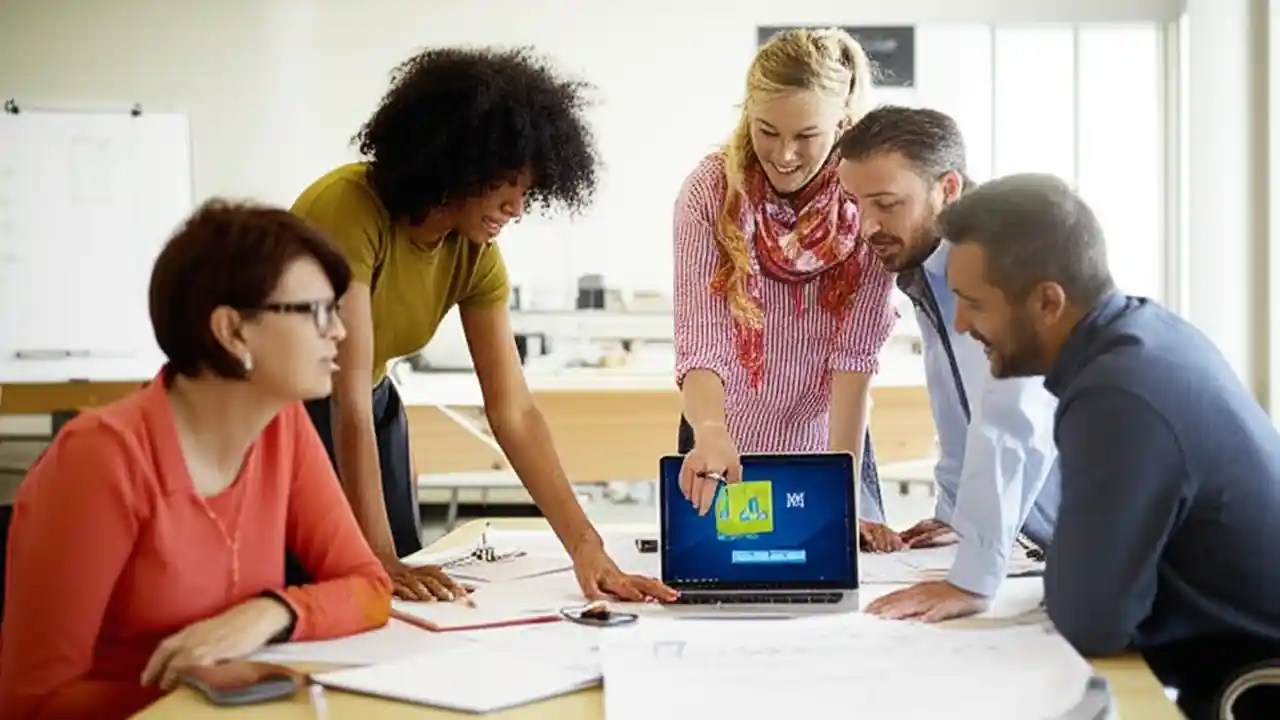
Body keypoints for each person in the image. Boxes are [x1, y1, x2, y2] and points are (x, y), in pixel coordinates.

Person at [290, 46, 675, 602]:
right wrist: (376, 555)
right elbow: (341, 395)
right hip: (290, 416)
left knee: (405, 596)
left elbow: (513, 409)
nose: (518, 207)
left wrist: (585, 545)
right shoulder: (348, 211)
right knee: (331, 592)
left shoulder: (474, 254)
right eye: (508, 184)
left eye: (530, 190)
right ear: (458, 161)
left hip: (369, 410)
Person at [0, 202, 394, 720]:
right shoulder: (101, 458)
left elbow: (369, 589)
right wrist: (210, 696)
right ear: (232, 331)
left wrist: (273, 612)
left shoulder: (283, 426)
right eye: (317, 311)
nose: (339, 331)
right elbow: (31, 703)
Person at [938, 173, 1280, 720]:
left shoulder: (1118, 394)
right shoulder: (1145, 336)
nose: (961, 324)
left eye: (973, 303)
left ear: (1047, 301)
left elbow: (1090, 618)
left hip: (1251, 687)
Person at [672, 28, 901, 551]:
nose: (785, 155)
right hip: (717, 432)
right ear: (747, 113)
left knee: (836, 577)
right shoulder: (711, 191)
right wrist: (708, 426)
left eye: (807, 136)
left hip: (832, 439)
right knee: (721, 582)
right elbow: (702, 338)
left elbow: (855, 355)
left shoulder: (863, 200)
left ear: (843, 123)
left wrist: (841, 490)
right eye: (767, 131)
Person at [834, 106, 1060, 621]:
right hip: (1028, 544)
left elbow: (1011, 423)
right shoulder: (929, 264)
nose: (867, 227)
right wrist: (955, 519)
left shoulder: (1001, 258)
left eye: (887, 204)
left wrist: (972, 578)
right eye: (856, 204)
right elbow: (958, 404)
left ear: (948, 189)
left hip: (1075, 537)